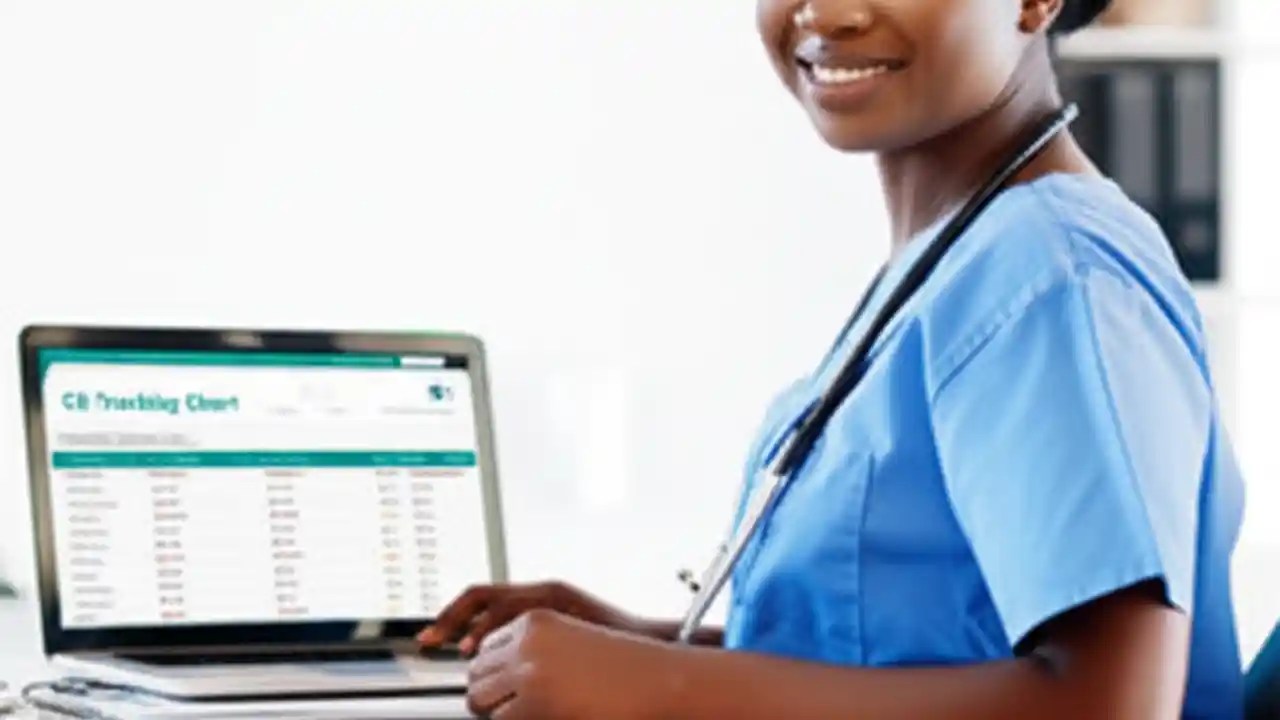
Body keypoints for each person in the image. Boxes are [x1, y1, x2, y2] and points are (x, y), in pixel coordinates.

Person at [419, 0, 1247, 717]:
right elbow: (911, 651)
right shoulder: (955, 259)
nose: (828, 14)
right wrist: (642, 646)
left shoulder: (1051, 271)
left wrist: (662, 687)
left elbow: (1106, 704)